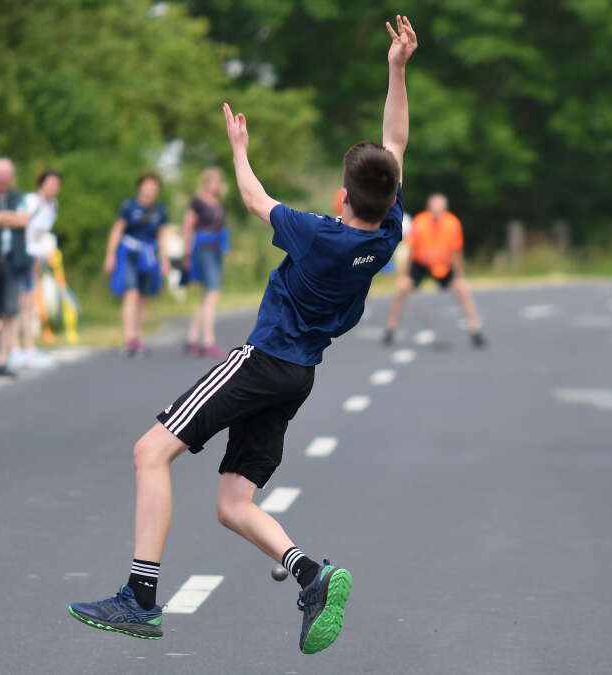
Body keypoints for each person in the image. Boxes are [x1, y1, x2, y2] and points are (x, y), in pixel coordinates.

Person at [69, 15, 418, 655]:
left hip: (262, 360)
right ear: (386, 196)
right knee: (233, 503)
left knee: (151, 453)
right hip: (299, 376)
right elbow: (394, 141)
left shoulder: (319, 235)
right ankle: (313, 576)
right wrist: (396, 69)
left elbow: (257, 200)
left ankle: (139, 598)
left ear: (343, 196)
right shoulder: (387, 232)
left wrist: (238, 149)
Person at [382, 192, 486, 347]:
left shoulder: (453, 223)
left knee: (462, 289)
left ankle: (475, 330)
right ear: (429, 207)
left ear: (445, 208)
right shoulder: (420, 221)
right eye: (434, 206)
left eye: (440, 207)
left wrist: (458, 274)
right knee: (401, 288)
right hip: (421, 263)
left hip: (444, 264)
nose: (437, 210)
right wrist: (404, 273)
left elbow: (456, 251)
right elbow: (411, 248)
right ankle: (391, 328)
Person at [103, 172, 171, 357]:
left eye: (154, 187)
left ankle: (138, 338)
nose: (150, 190)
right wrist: (110, 255)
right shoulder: (129, 206)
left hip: (148, 256)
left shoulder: (160, 211)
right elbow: (117, 231)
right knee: (130, 293)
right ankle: (129, 338)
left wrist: (165, 261)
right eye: (147, 185)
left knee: (142, 297)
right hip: (129, 254)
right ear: (140, 187)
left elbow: (162, 236)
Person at [0, 158, 30, 378]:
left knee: (9, 311)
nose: (1, 180)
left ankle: (3, 360)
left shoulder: (19, 197)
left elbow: (23, 221)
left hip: (13, 261)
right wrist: (8, 217)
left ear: (11, 178)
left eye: (5, 176)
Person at [12, 170, 63, 369]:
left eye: (56, 184)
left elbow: (43, 234)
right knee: (17, 302)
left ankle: (29, 347)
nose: (53, 188)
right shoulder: (31, 201)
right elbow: (19, 224)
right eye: (50, 183)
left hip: (36, 258)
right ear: (41, 184)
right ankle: (14, 347)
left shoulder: (53, 205)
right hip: (22, 255)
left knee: (29, 302)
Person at [182, 167, 230, 358]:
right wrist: (187, 253)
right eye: (213, 181)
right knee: (212, 293)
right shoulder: (198, 202)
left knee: (206, 295)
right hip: (203, 249)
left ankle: (193, 337)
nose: (216, 184)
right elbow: (188, 225)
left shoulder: (217, 203)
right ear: (206, 182)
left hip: (216, 248)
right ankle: (208, 340)